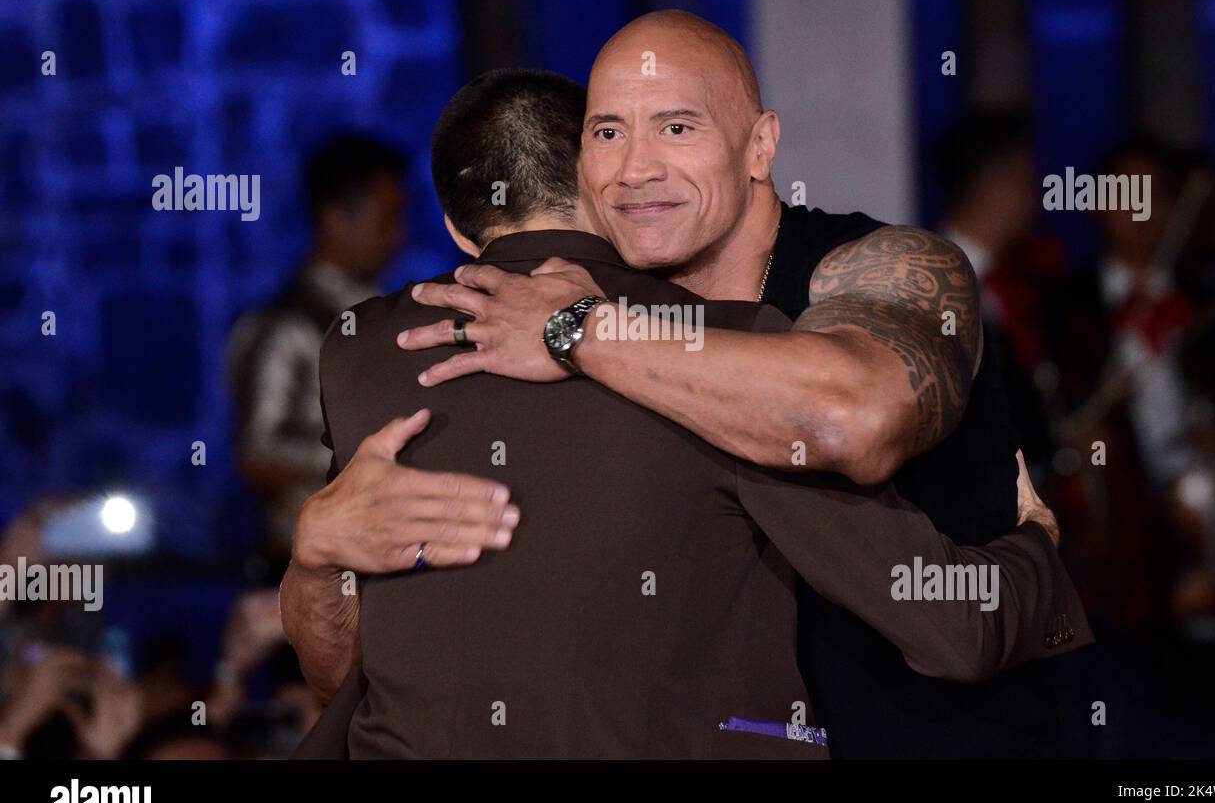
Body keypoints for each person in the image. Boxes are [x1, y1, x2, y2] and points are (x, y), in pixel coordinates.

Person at [285, 68, 1090, 758]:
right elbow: (949, 625)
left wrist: (311, 556)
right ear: (607, 183)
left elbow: (345, 664)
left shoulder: (360, 353)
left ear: (461, 230)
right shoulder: (716, 351)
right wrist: (1036, 552)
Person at [227, 134, 408, 560]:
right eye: (387, 219)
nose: (397, 237)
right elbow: (257, 454)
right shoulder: (286, 326)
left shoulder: (376, 311)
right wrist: (379, 453)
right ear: (336, 218)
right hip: (305, 561)